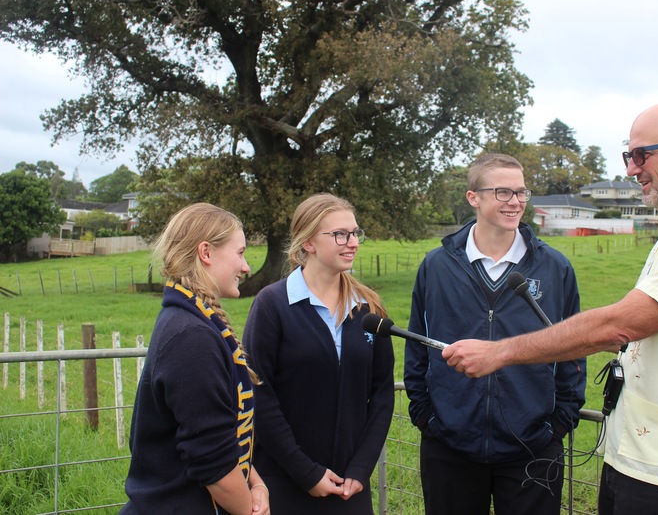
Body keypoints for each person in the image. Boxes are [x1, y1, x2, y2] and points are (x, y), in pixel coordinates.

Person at [444, 103, 658, 515]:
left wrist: (499, 352)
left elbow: (620, 325)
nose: (632, 169)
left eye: (641, 155)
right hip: (637, 453)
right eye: (628, 156)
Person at [404, 153, 586, 515]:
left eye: (521, 192)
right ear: (474, 197)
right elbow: (417, 346)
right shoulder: (437, 266)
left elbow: (572, 351)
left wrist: (556, 425)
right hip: (450, 446)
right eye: (503, 192)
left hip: (533, 446)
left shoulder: (554, 268)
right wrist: (428, 418)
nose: (515, 201)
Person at [242, 193, 394, 514]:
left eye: (355, 233)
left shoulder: (369, 307)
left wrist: (361, 468)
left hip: (349, 487)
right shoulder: (272, 305)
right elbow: (258, 393)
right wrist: (305, 472)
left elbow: (381, 394)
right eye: (340, 234)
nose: (352, 242)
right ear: (309, 242)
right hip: (283, 480)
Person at [121, 203, 269, 514]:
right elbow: (213, 462)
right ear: (206, 252)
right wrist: (249, 510)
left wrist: (256, 483)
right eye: (240, 253)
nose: (246, 268)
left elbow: (220, 436)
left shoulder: (192, 322)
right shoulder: (192, 336)